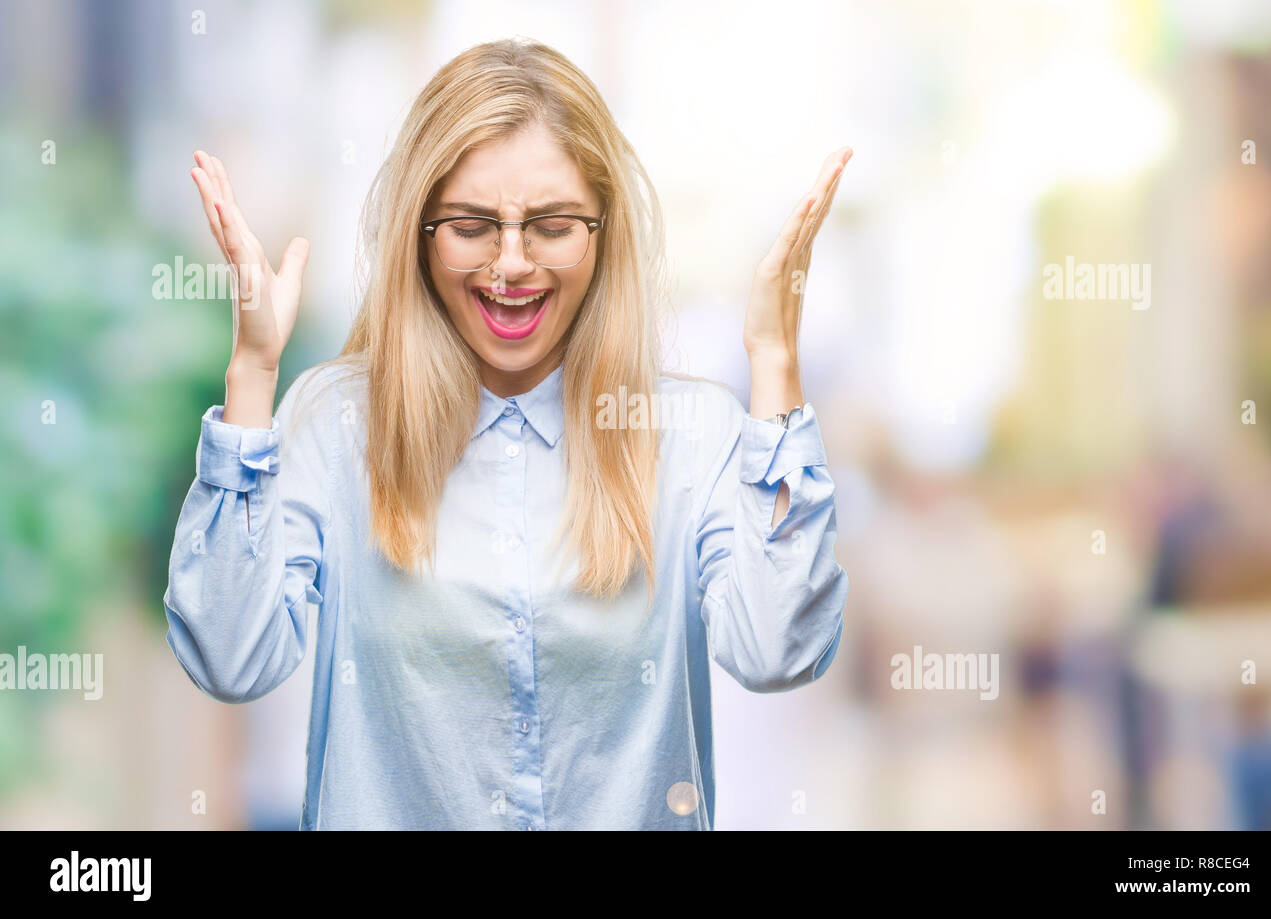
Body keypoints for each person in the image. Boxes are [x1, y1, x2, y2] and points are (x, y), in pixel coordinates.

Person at [163, 37, 851, 830]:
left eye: (553, 226)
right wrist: (252, 371)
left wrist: (775, 365)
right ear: (421, 234)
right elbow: (229, 656)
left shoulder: (690, 435)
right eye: (473, 225)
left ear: (602, 231)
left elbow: (778, 652)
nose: (512, 263)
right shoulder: (337, 421)